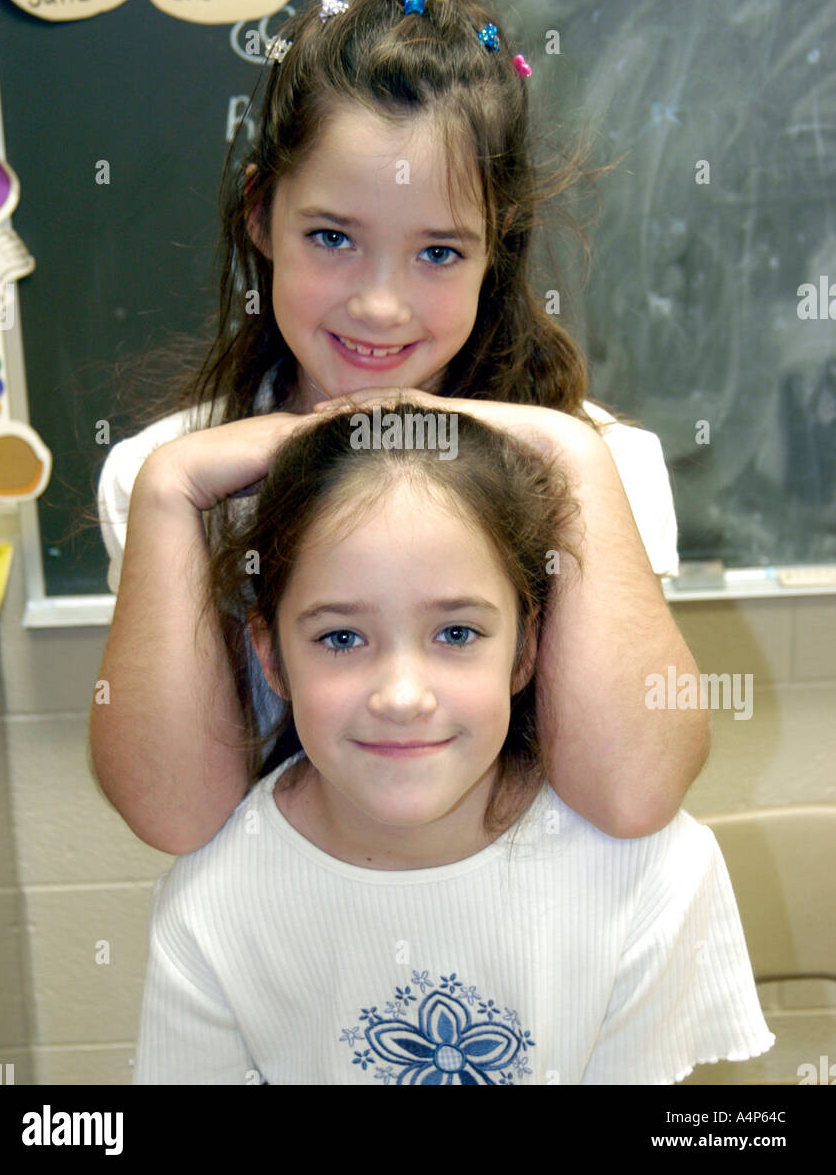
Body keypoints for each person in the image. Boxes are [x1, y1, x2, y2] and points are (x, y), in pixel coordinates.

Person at [92, 0, 707, 856]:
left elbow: (633, 793)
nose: (380, 304)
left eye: (439, 252)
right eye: (334, 237)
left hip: (541, 965)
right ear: (261, 214)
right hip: (304, 965)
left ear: (498, 247)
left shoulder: (598, 463)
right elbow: (177, 814)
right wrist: (169, 492)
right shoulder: (167, 477)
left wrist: (576, 462)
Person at [132, 403, 773, 1085]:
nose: (402, 696)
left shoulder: (651, 874)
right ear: (272, 657)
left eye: (457, 634)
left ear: (527, 650)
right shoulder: (213, 906)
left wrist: (572, 447)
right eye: (341, 638)